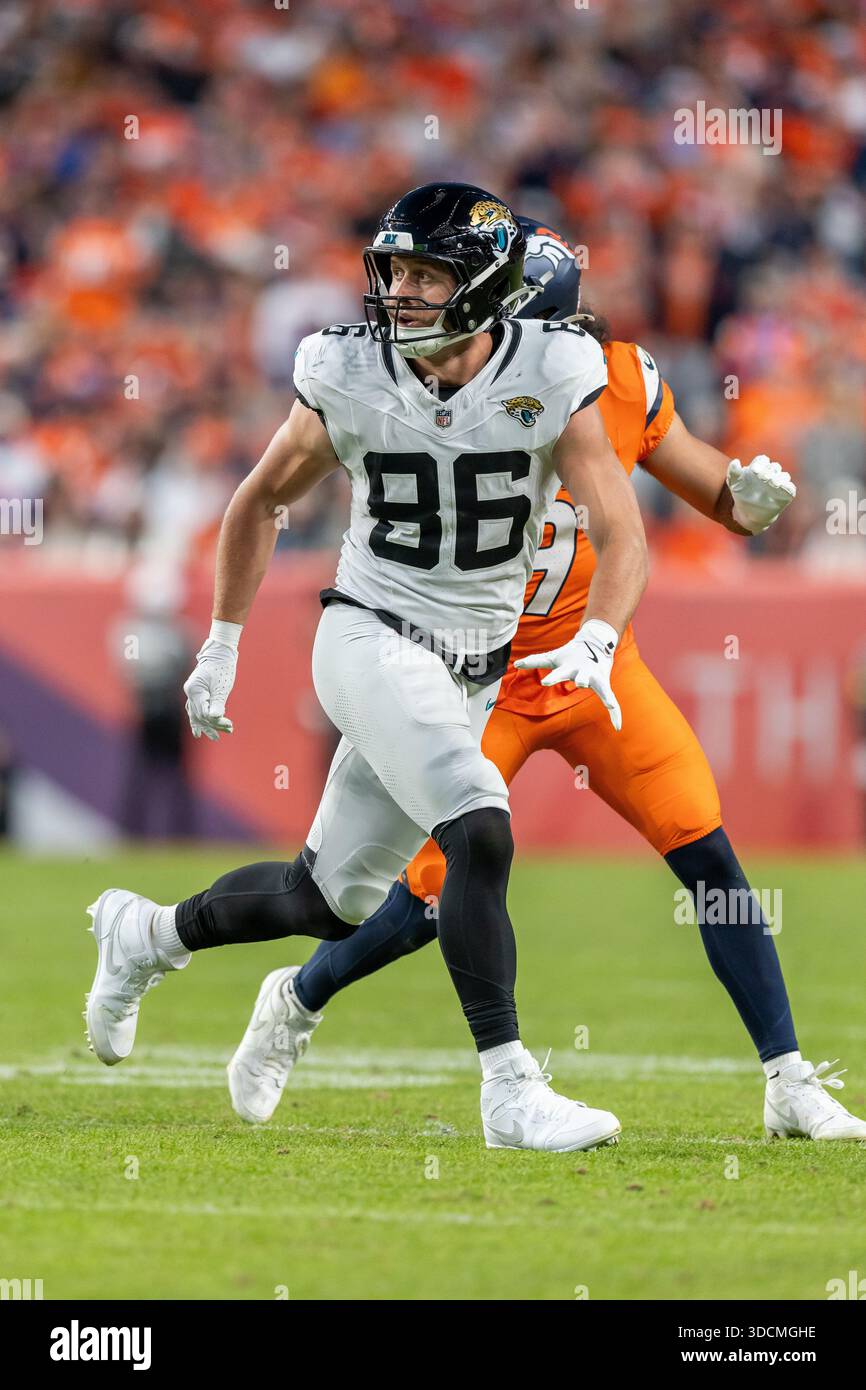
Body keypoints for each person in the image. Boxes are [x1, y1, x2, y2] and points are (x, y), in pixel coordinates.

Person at [227, 219, 866, 1145]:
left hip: (591, 662)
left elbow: (717, 497)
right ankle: (297, 996)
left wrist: (752, 501)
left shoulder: (612, 378)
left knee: (708, 852)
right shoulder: (435, 384)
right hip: (476, 675)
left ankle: (788, 1078)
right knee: (427, 896)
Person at [84, 183, 650, 1153]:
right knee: (477, 826)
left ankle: (145, 935)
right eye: (394, 270)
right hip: (368, 634)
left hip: (468, 666)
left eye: (427, 274)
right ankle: (509, 1090)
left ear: (483, 287)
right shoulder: (346, 372)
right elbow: (261, 500)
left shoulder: (552, 369)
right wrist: (221, 640)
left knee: (326, 897)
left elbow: (617, 520)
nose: (402, 292)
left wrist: (598, 633)